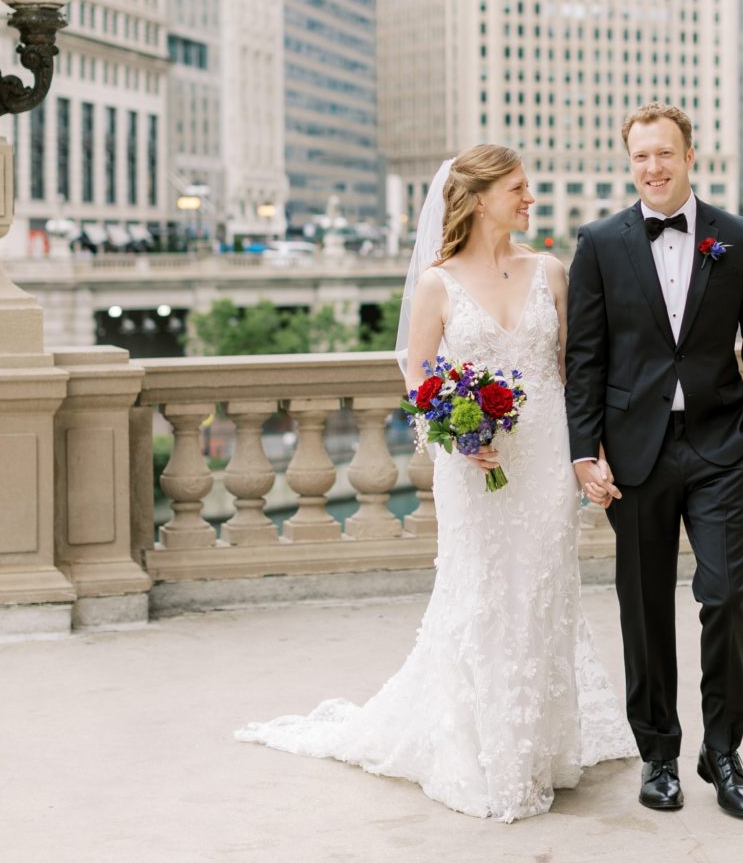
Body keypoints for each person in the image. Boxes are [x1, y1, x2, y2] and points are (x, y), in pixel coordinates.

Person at [236, 146, 634, 821]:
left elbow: (575, 373)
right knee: (480, 591)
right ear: (479, 198)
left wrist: (587, 455)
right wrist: (460, 434)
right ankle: (486, 753)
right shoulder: (437, 284)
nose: (529, 197)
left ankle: (541, 747)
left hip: (541, 458)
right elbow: (420, 380)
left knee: (542, 587)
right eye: (518, 187)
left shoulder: (551, 272)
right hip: (474, 467)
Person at [565, 104, 743, 820]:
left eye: (665, 153)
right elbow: (586, 359)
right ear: (628, 162)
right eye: (640, 157)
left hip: (722, 445)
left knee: (725, 596)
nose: (653, 168)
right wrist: (581, 451)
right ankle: (658, 752)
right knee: (644, 604)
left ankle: (723, 750)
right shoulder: (599, 243)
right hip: (635, 453)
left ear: (691, 154)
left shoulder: (738, 238)